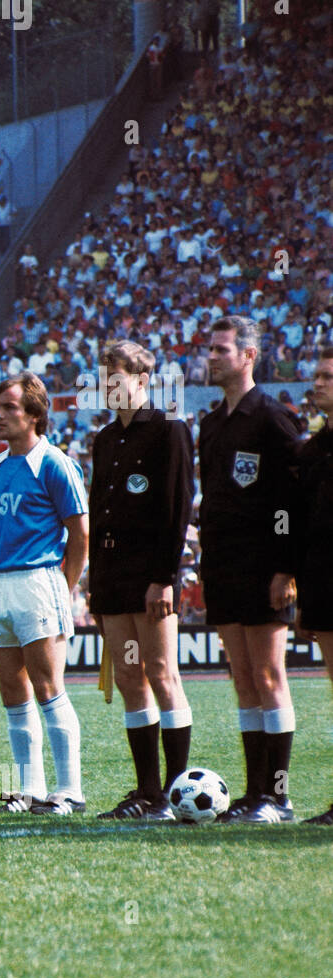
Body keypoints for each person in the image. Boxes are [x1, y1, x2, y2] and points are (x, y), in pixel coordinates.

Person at [199, 316, 302, 824]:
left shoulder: (273, 417)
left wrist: (285, 567)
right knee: (242, 678)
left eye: (221, 349)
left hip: (264, 566)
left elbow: (292, 497)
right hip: (223, 566)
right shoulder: (211, 423)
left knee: (268, 674)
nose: (212, 357)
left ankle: (279, 797)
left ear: (247, 356)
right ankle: (254, 791)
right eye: (210, 349)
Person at [86, 342, 194, 821]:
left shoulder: (169, 432)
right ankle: (147, 791)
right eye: (104, 378)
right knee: (130, 677)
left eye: (116, 378)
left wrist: (164, 578)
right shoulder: (105, 439)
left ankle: (175, 793)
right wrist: (95, 580)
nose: (108, 386)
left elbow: (176, 510)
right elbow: (97, 512)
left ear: (142, 380)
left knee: (162, 674)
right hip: (112, 577)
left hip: (150, 576)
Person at [0, 373, 89, 814]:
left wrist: (64, 586)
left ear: (35, 415)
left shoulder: (55, 464)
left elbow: (79, 533)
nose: (0, 415)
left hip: (39, 581)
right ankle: (31, 788)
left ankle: (70, 790)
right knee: (12, 690)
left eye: (10, 408)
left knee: (48, 687)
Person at [296, 348, 333, 824]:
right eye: (318, 375)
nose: (318, 382)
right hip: (323, 582)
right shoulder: (313, 449)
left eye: (328, 376)